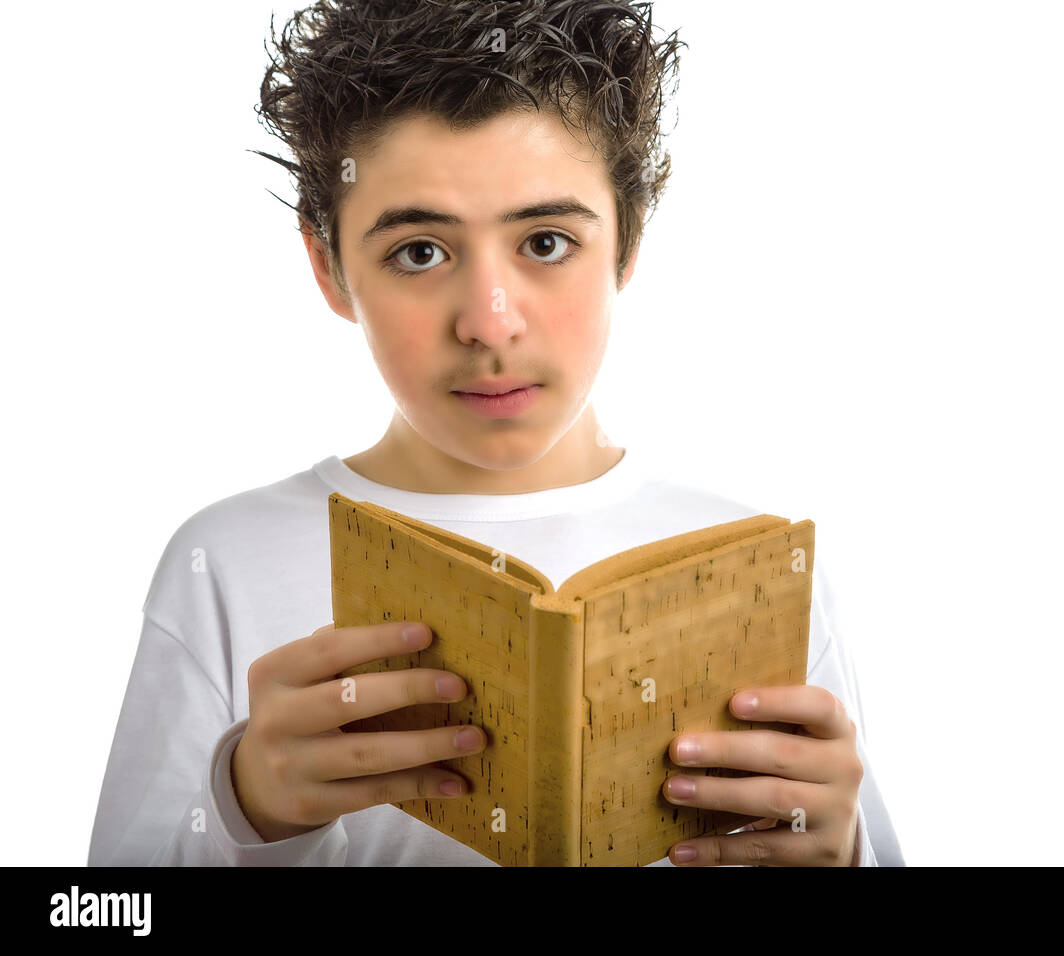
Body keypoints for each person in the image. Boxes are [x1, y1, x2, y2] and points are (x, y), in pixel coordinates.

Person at [88, 0, 904, 867]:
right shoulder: (227, 560)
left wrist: (842, 855)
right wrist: (245, 807)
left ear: (627, 243)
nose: (489, 322)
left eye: (547, 242)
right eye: (420, 253)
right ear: (329, 267)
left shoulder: (764, 568)